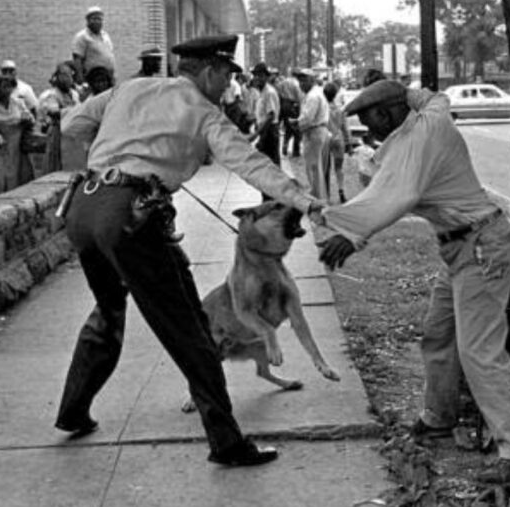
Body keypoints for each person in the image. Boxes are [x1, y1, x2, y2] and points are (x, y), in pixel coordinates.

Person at [54, 34, 322, 468]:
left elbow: (71, 125)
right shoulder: (204, 112)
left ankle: (72, 411)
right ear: (211, 71)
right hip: (132, 218)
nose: (229, 86)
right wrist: (304, 201)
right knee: (191, 329)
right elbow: (251, 164)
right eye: (227, 76)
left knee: (108, 308)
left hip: (84, 208)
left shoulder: (129, 88)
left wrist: (117, 148)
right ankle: (227, 443)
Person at [316, 81, 510, 483]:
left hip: (480, 248)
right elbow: (429, 95)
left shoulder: (416, 144)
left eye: (371, 121)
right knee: (438, 334)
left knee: (479, 351)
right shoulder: (433, 115)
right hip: (461, 247)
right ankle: (439, 416)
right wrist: (397, 89)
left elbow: (390, 197)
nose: (370, 131)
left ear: (387, 114)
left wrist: (350, 234)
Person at [0, 72, 35, 195]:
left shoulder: (18, 102)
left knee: (15, 175)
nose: (7, 90)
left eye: (10, 87)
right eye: (4, 87)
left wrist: (28, 120)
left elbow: (30, 118)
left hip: (15, 145)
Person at [38, 62, 81, 172]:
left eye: (69, 76)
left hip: (72, 133)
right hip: (57, 132)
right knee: (55, 162)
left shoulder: (74, 94)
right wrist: (74, 111)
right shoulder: (52, 94)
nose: (66, 79)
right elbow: (53, 112)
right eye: (63, 76)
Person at [296, 70, 330, 199]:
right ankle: (320, 197)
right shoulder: (316, 93)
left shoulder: (312, 96)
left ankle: (318, 199)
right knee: (319, 169)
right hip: (319, 131)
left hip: (314, 132)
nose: (301, 84)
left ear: (311, 80)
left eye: (303, 80)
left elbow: (307, 119)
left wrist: (296, 124)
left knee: (314, 169)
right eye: (299, 81)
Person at [322, 82, 350, 204]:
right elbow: (345, 127)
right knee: (339, 168)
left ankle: (326, 194)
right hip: (339, 140)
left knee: (325, 168)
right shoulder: (340, 110)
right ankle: (341, 191)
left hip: (325, 140)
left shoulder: (322, 109)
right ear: (335, 95)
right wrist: (348, 142)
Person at [71, 6, 115, 82]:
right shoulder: (82, 36)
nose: (97, 21)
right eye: (94, 19)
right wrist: (79, 77)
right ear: (87, 20)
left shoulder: (106, 35)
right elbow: (77, 59)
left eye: (99, 19)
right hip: (92, 79)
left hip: (108, 78)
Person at [251, 62, 281, 170]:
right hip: (264, 130)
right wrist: (256, 122)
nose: (257, 78)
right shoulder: (261, 91)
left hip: (270, 131)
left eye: (260, 75)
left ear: (266, 77)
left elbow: (270, 116)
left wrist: (256, 133)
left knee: (272, 162)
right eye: (255, 75)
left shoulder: (269, 92)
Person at [276, 72, 303, 156]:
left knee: (287, 126)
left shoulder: (284, 82)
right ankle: (296, 150)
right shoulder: (296, 83)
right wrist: (300, 108)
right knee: (296, 128)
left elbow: (278, 90)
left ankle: (285, 145)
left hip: (284, 104)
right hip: (293, 105)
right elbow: (299, 97)